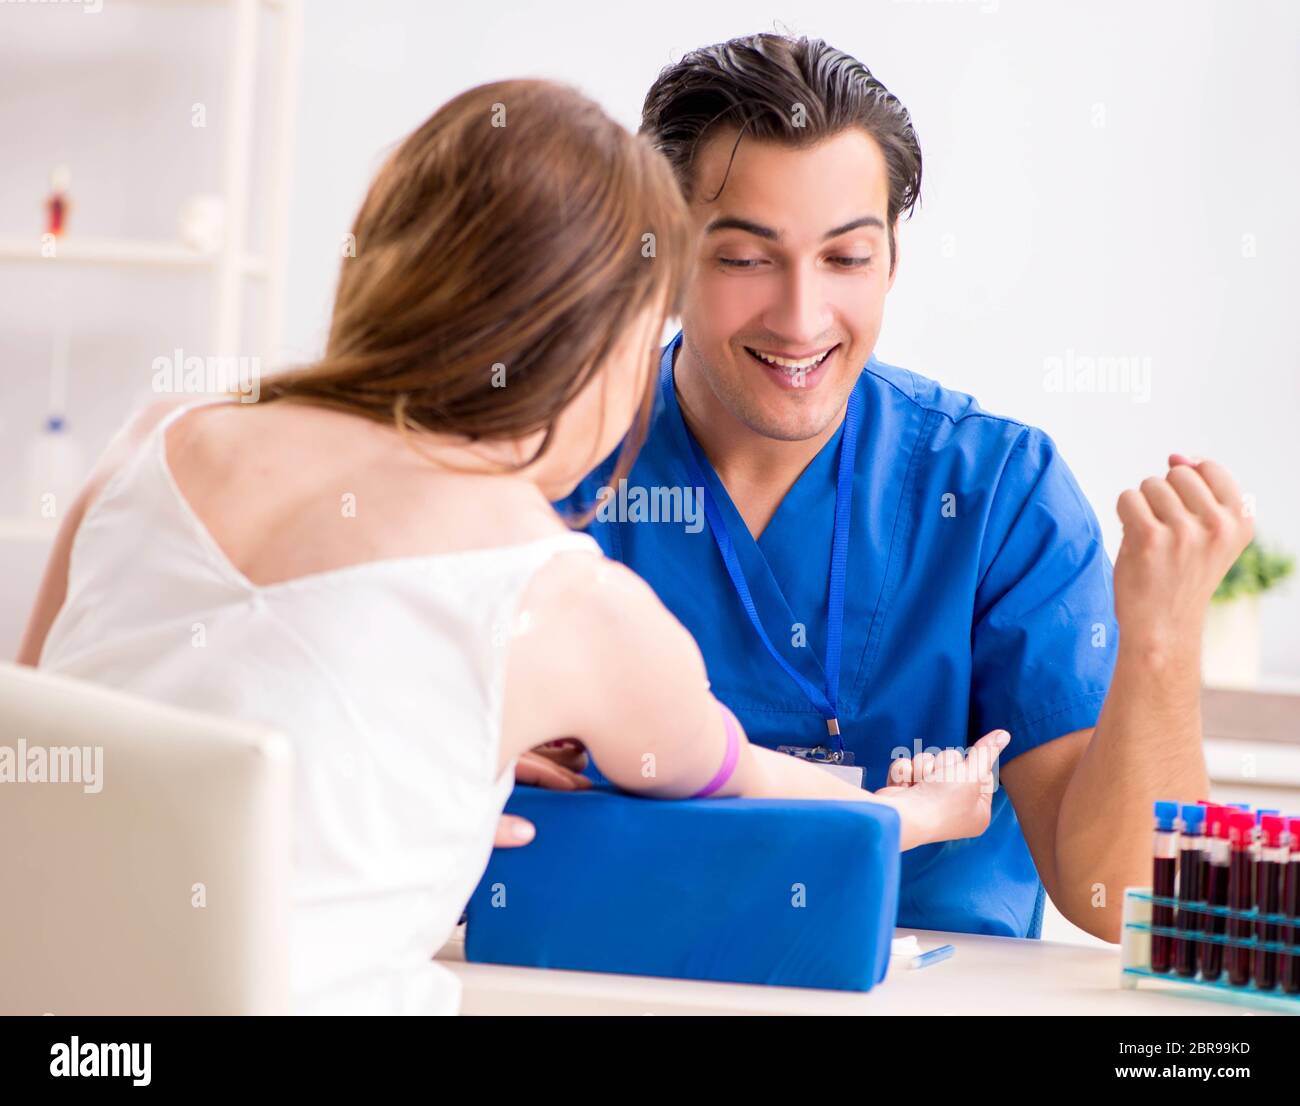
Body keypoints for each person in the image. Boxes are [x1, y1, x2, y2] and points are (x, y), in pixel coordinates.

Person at [17, 79, 1002, 1015]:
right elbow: (746, 781)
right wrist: (916, 811)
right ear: (610, 342)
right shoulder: (566, 598)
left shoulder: (156, 434)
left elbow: (41, 741)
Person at [560, 33, 1255, 943]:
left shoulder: (997, 491)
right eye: (743, 258)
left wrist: (1161, 642)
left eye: (845, 258)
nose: (802, 317)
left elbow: (1121, 903)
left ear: (892, 259)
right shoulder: (553, 464)